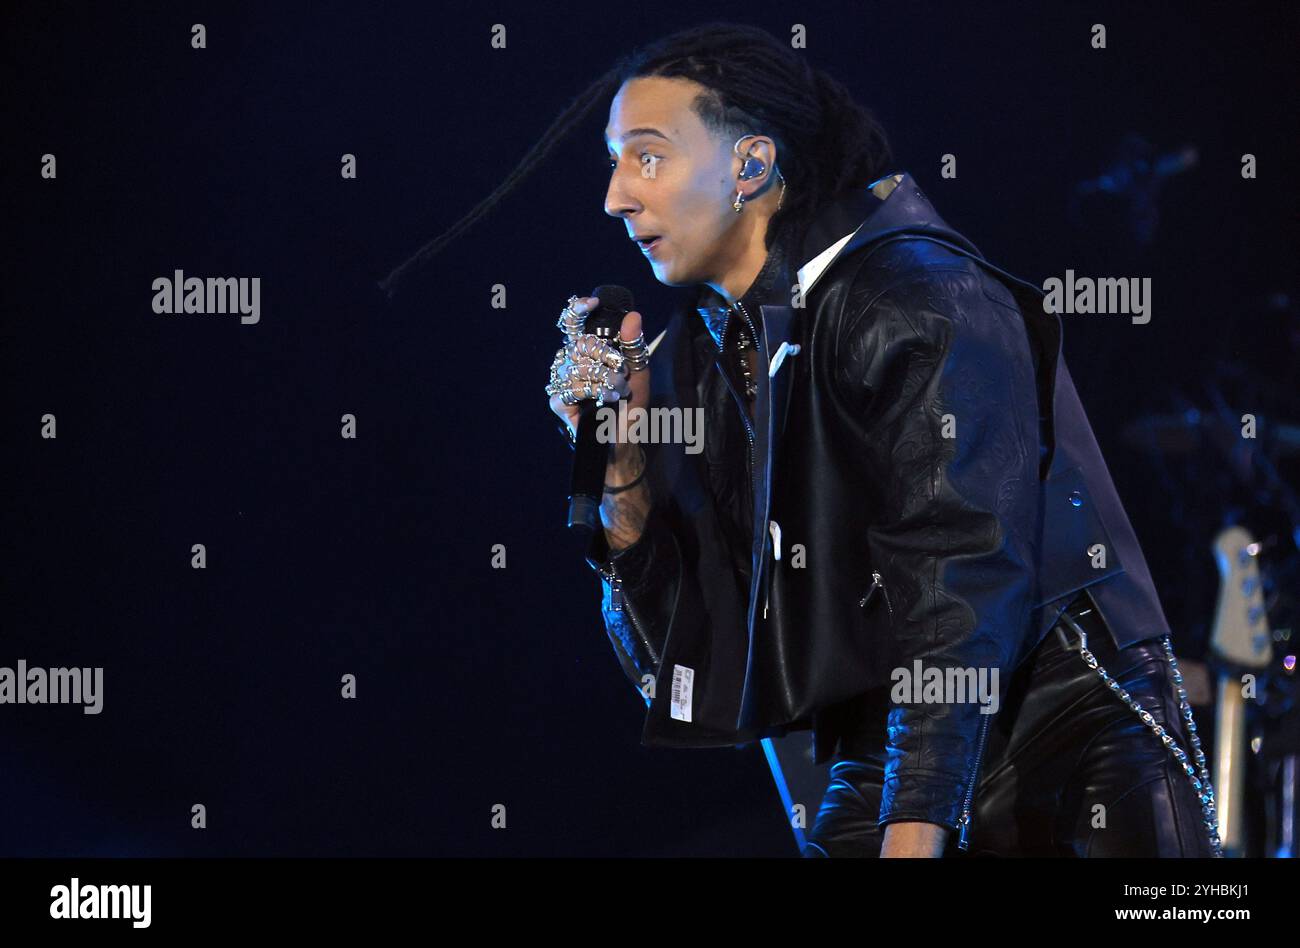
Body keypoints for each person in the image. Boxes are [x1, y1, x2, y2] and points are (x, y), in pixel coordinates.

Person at [383, 23, 1221, 857]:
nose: (614, 197)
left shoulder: (915, 293)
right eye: (612, 162)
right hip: (881, 746)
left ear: (750, 165)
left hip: (1065, 731)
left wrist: (913, 836)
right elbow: (696, 659)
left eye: (646, 156)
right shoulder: (709, 356)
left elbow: (960, 570)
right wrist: (622, 467)